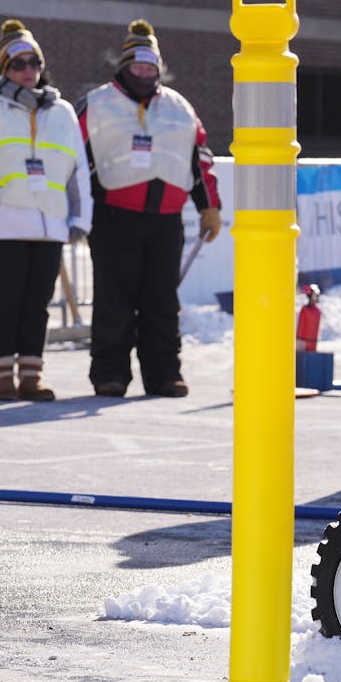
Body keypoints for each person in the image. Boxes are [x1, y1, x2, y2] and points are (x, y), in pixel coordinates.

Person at [78, 20, 222, 398]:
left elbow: (199, 161)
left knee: (161, 302)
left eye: (150, 67)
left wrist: (209, 208)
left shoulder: (180, 107)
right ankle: (109, 374)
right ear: (124, 67)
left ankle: (165, 375)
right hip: (113, 217)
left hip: (165, 221)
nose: (144, 72)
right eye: (138, 66)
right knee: (114, 301)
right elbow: (73, 159)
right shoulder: (96, 103)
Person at [0, 20, 92, 401]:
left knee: (37, 305)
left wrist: (80, 216)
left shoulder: (63, 111)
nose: (27, 71)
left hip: (49, 223)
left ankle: (31, 375)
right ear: (2, 68)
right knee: (4, 303)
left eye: (33, 63)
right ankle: (2, 376)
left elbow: (78, 169)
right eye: (17, 64)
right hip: (2, 223)